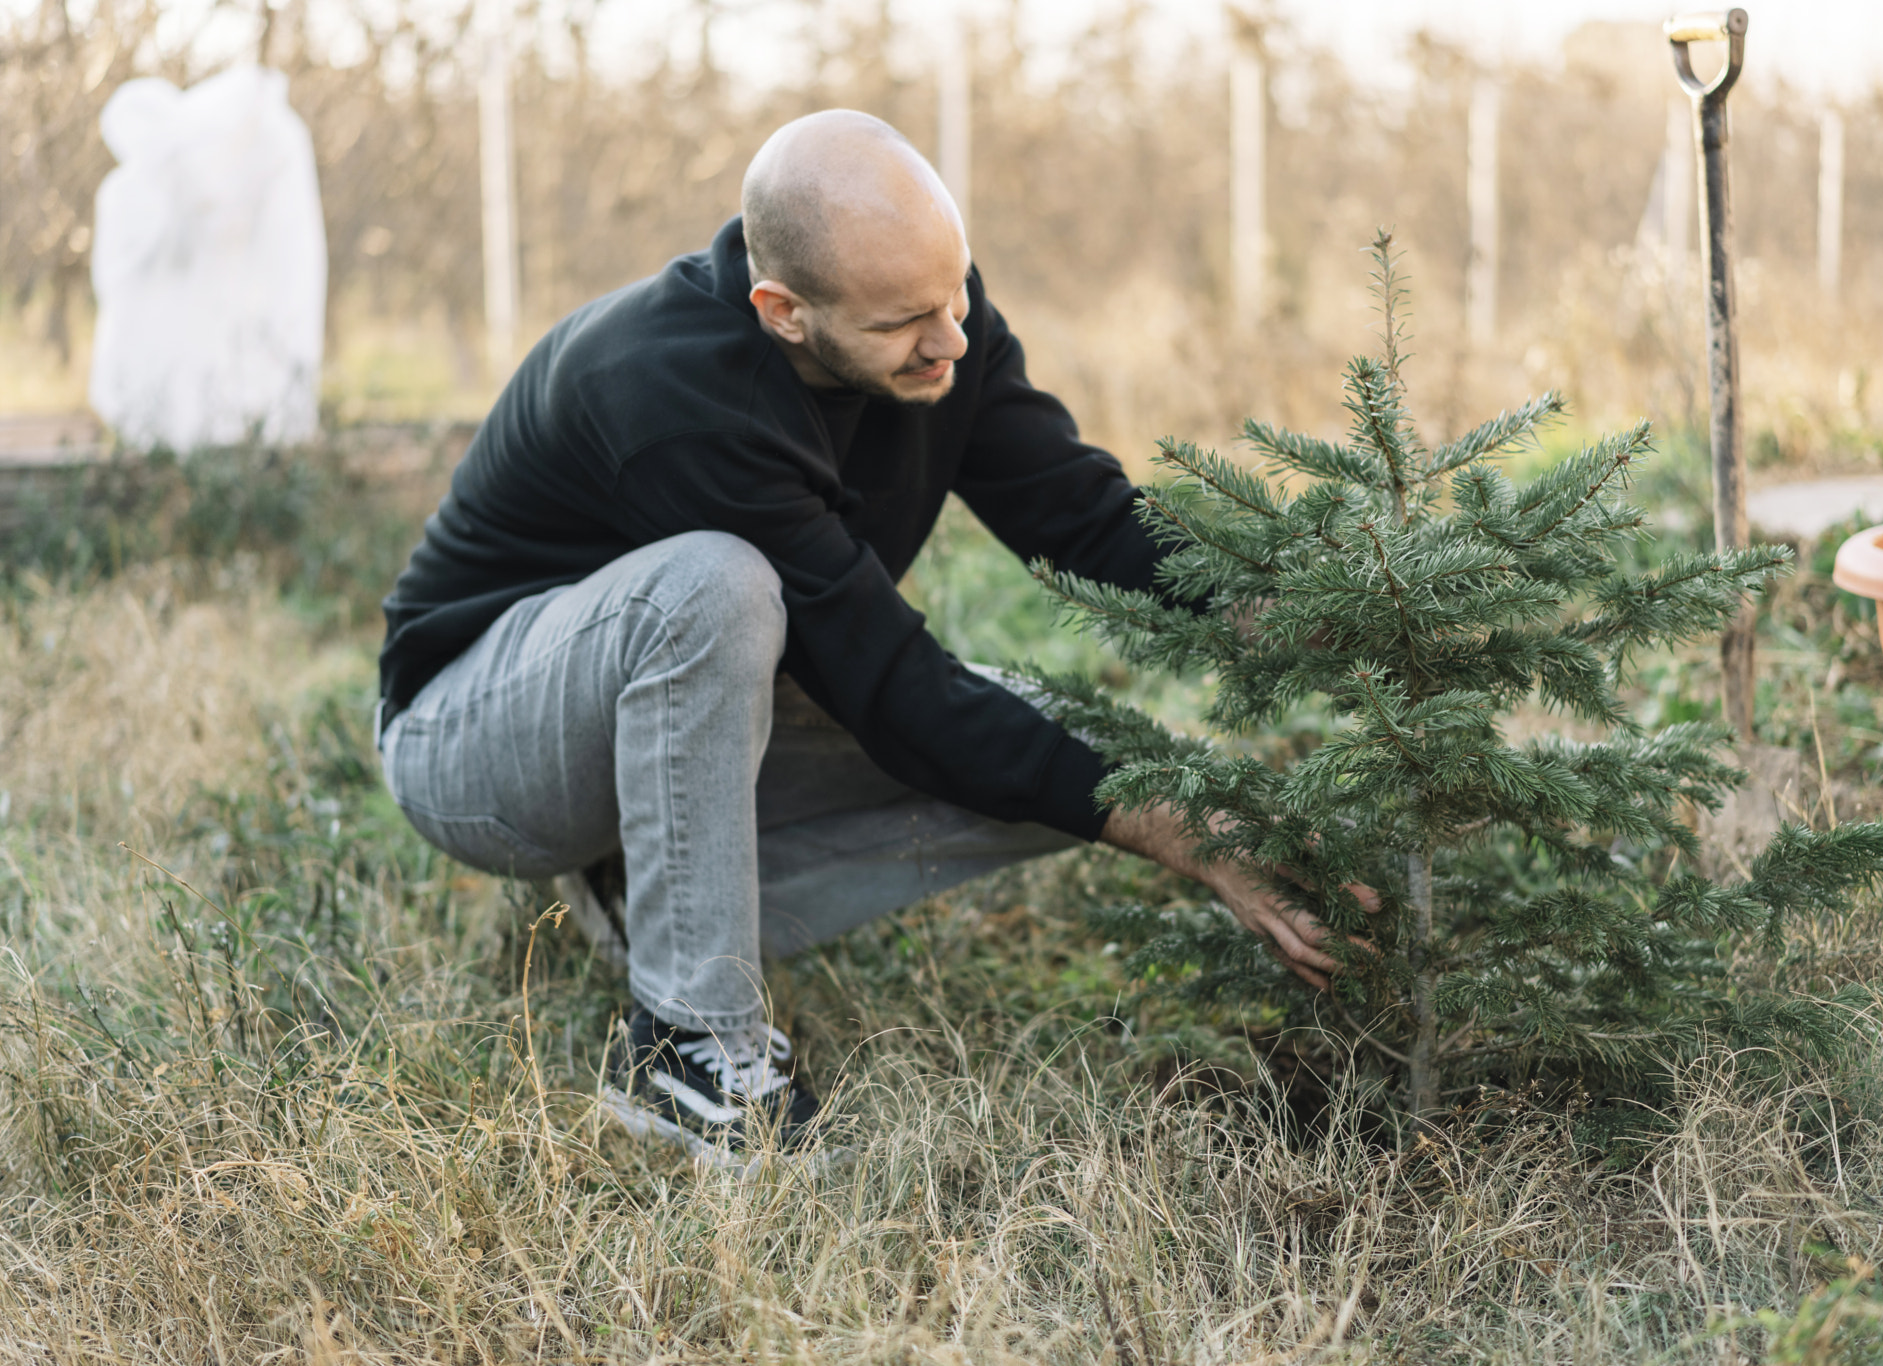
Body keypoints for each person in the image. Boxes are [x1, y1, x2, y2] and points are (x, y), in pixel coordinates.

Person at [377, 109, 1376, 1168]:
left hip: (662, 713)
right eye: (906, 319)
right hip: (474, 744)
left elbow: (1073, 514)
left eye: (954, 294)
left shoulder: (937, 317)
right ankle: (684, 1043)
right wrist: (1181, 829)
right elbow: (896, 690)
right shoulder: (674, 392)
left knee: (1076, 739)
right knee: (716, 585)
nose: (949, 338)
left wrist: (1284, 608)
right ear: (784, 312)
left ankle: (647, 883)